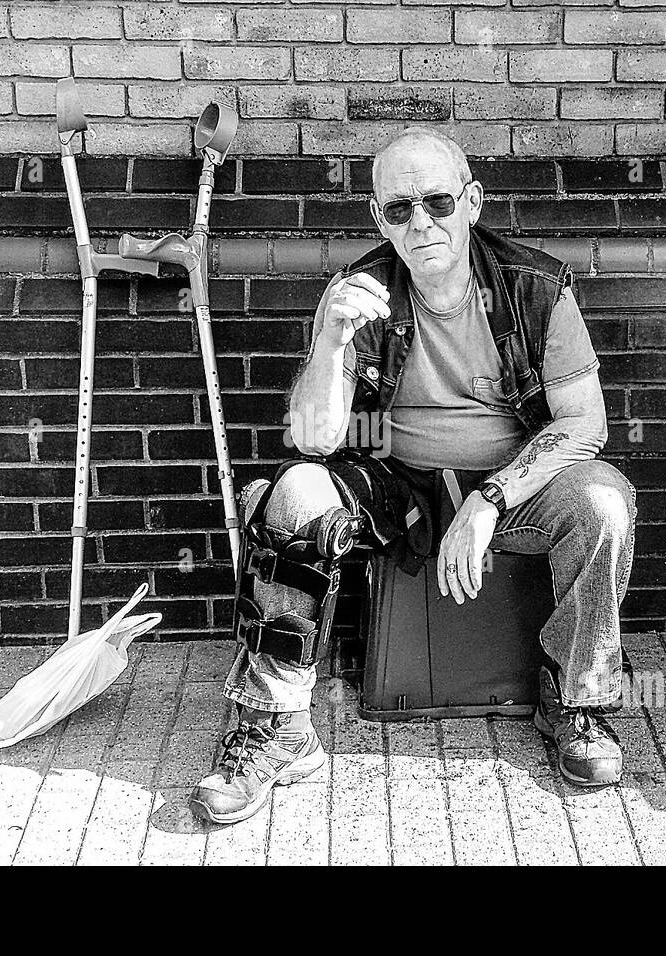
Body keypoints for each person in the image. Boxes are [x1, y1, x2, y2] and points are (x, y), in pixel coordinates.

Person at [188, 126, 637, 826]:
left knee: (604, 500)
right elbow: (315, 439)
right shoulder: (357, 294)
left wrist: (490, 498)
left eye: (436, 201)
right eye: (400, 209)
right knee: (291, 494)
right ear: (378, 217)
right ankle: (278, 726)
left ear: (473, 202)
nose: (421, 222)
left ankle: (576, 701)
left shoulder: (535, 288)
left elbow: (584, 424)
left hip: (511, 485)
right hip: (396, 488)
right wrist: (333, 338)